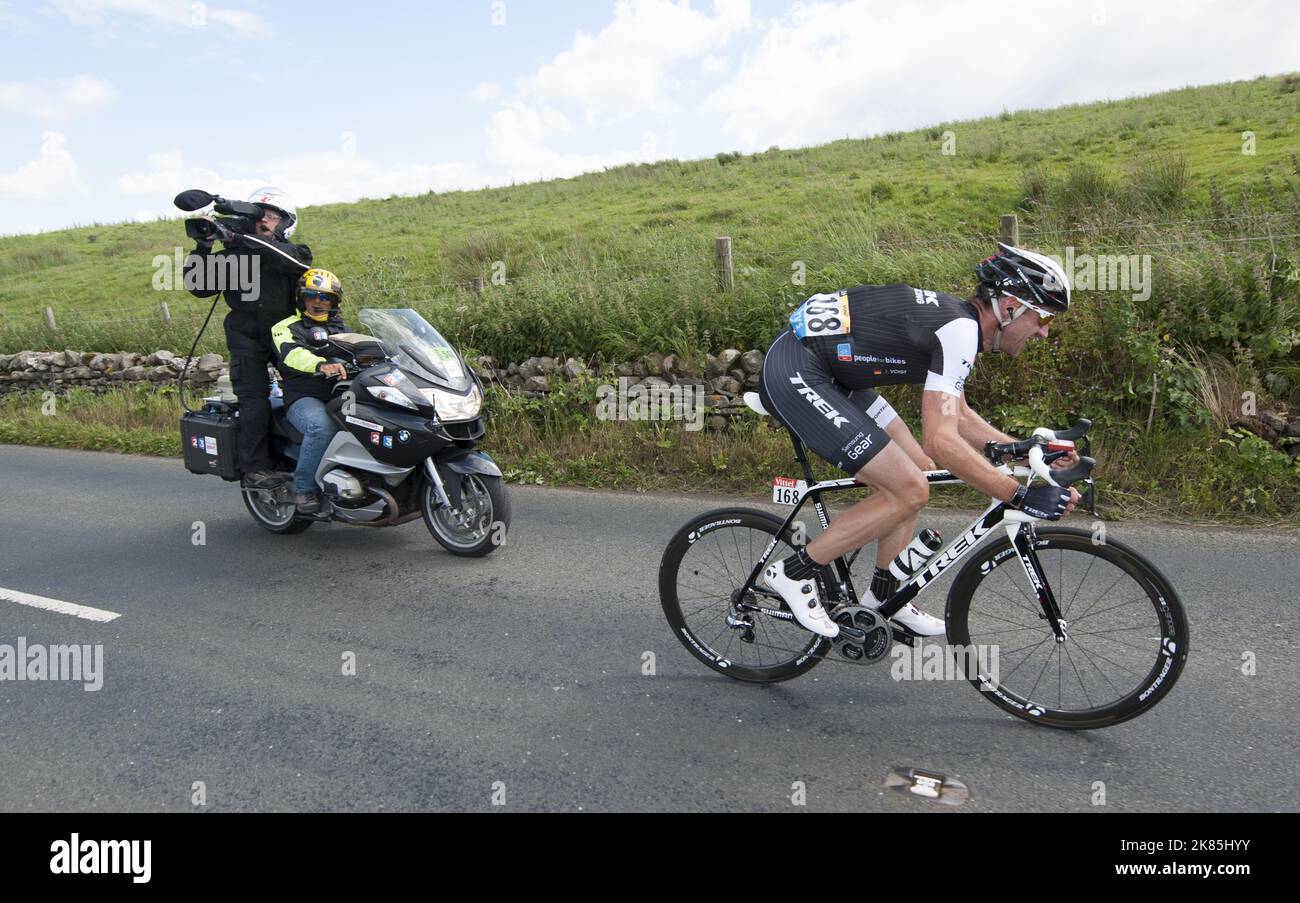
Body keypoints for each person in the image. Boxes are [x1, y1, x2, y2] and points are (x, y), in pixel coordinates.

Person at [757, 243, 1080, 639]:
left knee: (919, 474)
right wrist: (1016, 493)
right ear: (1010, 307)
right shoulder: (959, 330)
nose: (1045, 332)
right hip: (798, 370)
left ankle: (882, 595)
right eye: (1043, 318)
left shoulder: (959, 326)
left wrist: (1019, 450)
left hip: (834, 373)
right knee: (909, 489)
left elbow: (956, 415)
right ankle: (794, 572)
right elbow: (941, 440)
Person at [186, 187, 312, 487]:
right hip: (246, 335)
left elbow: (295, 264)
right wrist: (203, 247)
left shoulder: (293, 251)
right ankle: (256, 469)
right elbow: (199, 287)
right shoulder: (234, 256)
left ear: (286, 222)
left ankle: (309, 455)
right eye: (258, 215)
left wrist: (238, 237)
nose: (264, 220)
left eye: (271, 215)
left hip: (289, 335)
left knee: (305, 393)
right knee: (253, 402)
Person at [270, 269, 348, 514]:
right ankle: (303, 489)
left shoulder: (341, 327)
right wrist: (320, 365)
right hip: (304, 397)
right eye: (311, 295)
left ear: (333, 302)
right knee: (322, 426)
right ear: (301, 298)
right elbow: (292, 354)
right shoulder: (285, 327)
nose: (318, 301)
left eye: (325, 297)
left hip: (340, 394)